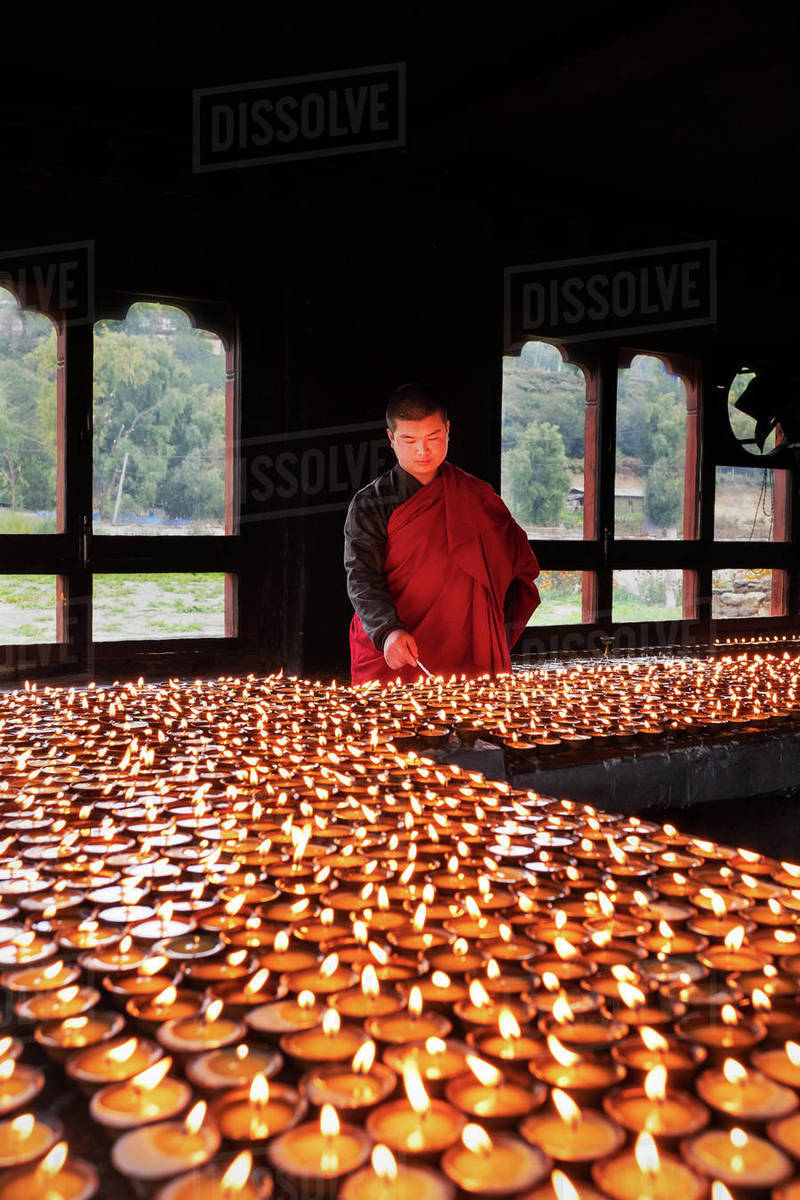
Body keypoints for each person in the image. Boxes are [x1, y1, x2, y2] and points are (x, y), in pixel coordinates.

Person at [344, 382, 541, 684]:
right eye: (409, 440)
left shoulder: (477, 496)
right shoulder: (371, 503)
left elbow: (515, 564)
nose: (423, 450)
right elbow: (361, 578)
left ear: (448, 430)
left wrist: (486, 625)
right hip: (398, 647)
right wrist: (386, 631)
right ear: (391, 439)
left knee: (473, 727)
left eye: (433, 437)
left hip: (467, 647)